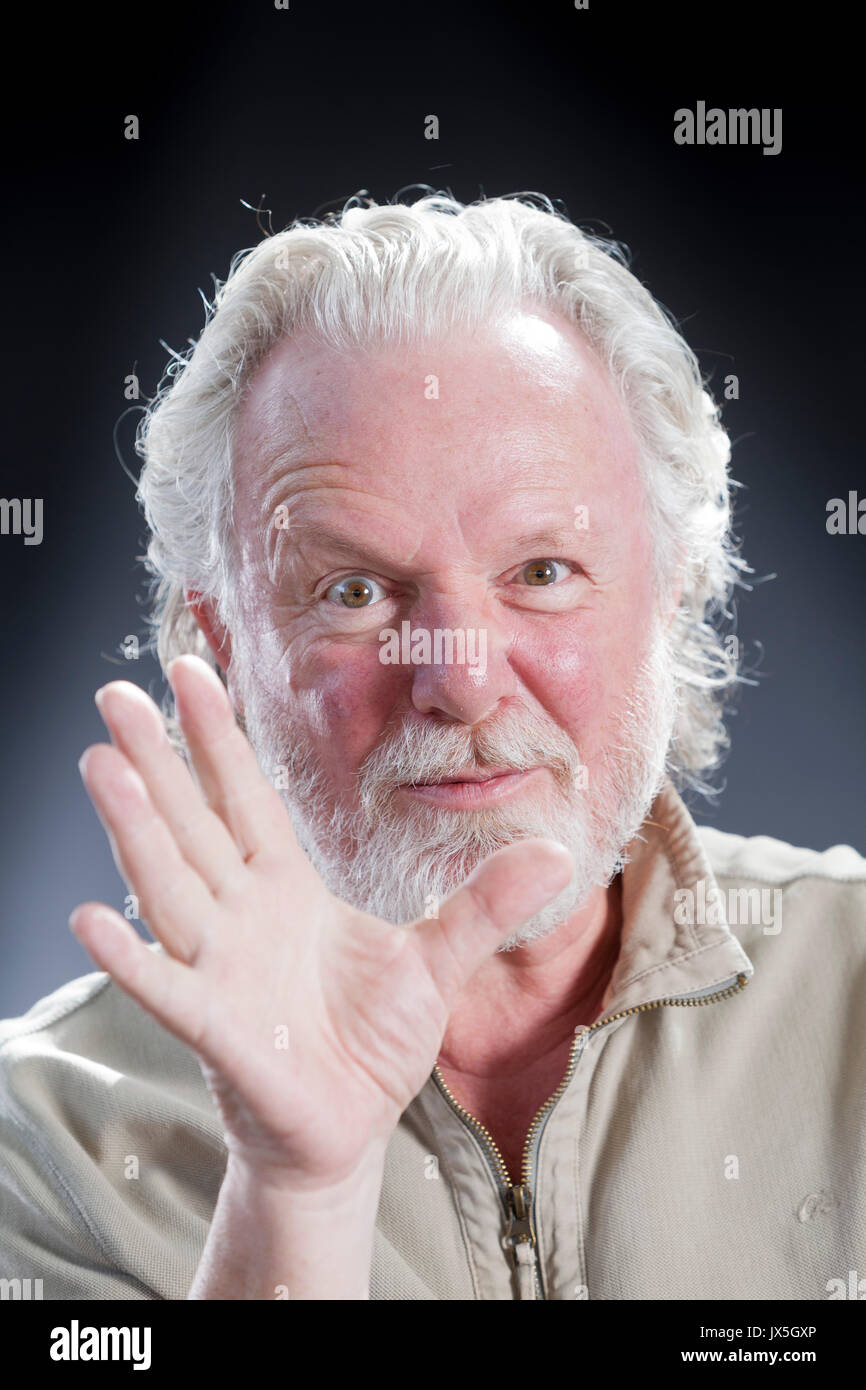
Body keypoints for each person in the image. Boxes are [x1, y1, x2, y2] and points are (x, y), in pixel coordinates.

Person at [1, 193, 863, 1301]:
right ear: (223, 648)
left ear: (674, 588)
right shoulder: (47, 1148)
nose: (457, 681)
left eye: (541, 571)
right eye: (353, 592)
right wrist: (294, 1192)